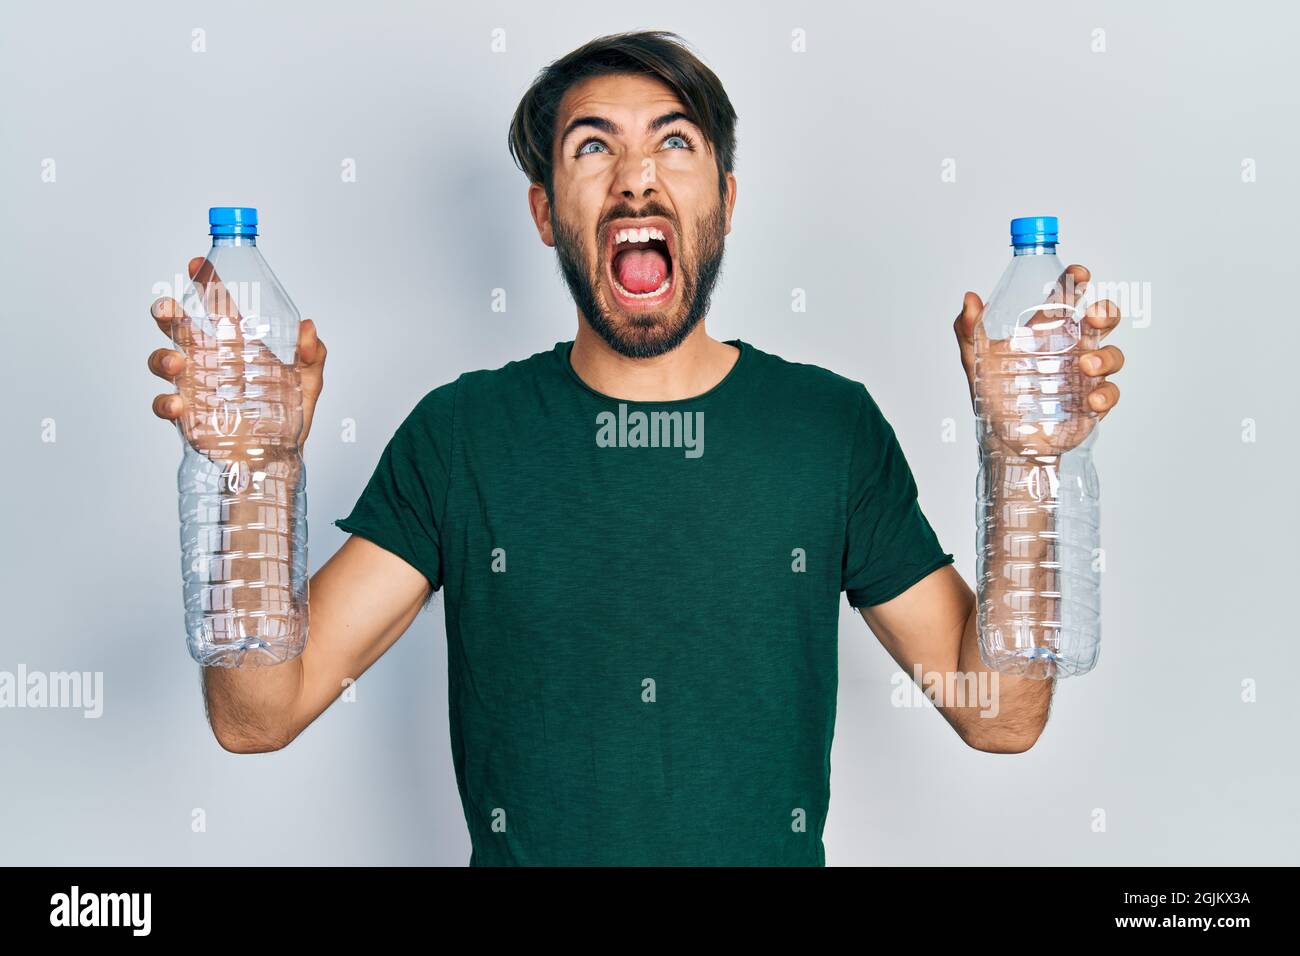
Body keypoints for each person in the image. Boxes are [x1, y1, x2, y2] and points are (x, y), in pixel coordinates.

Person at [145, 31, 1125, 866]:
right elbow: (257, 714)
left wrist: (1027, 467)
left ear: (725, 201)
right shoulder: (461, 437)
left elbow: (998, 714)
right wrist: (251, 477)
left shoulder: (828, 428)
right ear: (544, 211)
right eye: (591, 147)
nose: (636, 176)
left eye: (673, 141)